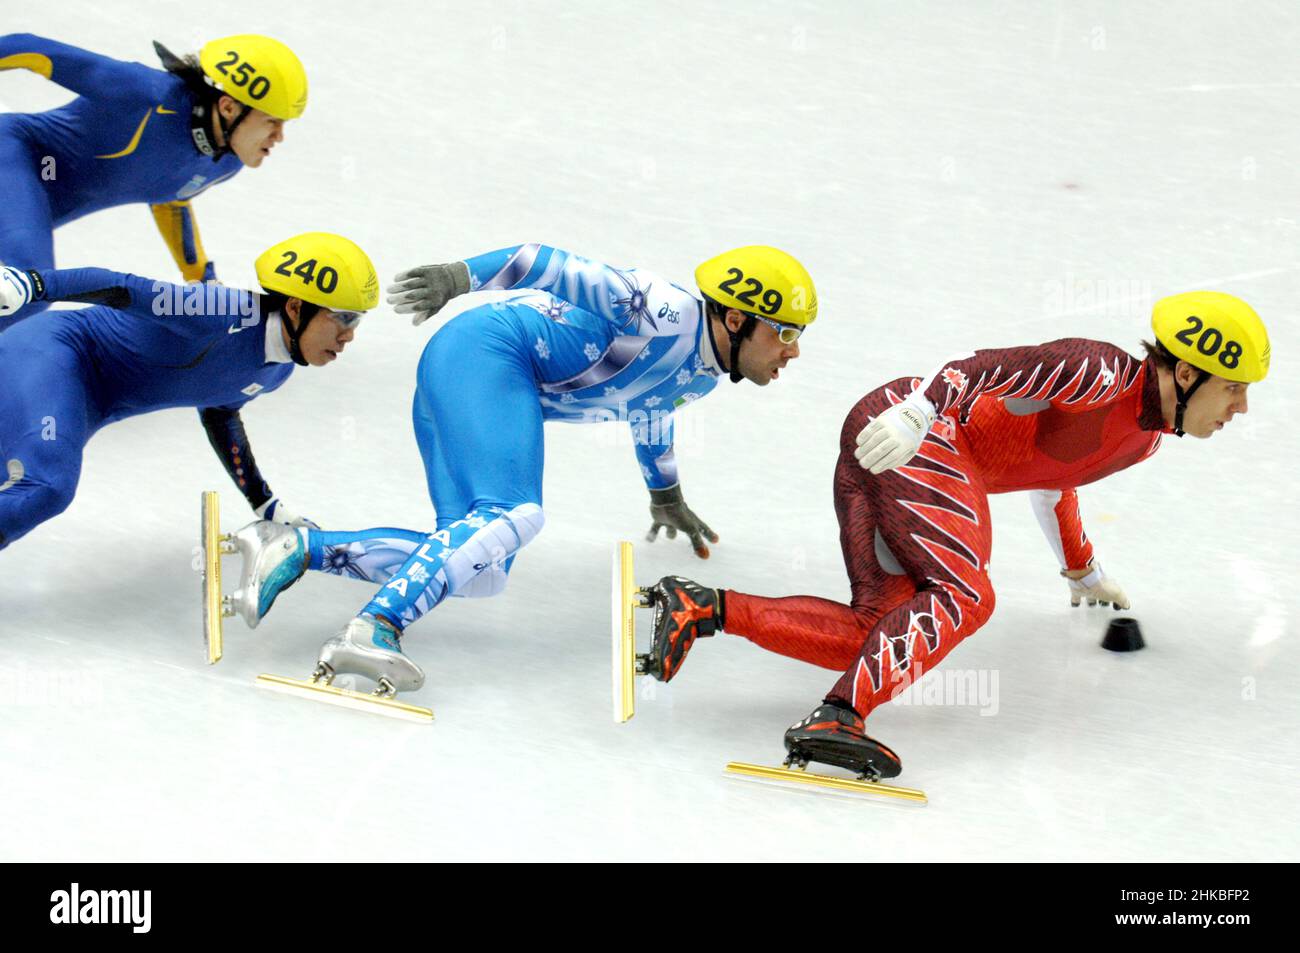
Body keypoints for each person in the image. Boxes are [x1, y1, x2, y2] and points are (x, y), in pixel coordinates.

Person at [634, 291, 1269, 779]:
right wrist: (919, 412)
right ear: (1187, 375)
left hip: (899, 438)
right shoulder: (1098, 373)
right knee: (967, 595)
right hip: (917, 431)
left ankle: (700, 606)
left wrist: (1082, 568)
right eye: (1234, 389)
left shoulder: (1148, 439)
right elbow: (979, 369)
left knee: (873, 632)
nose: (1239, 409)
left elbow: (1056, 481)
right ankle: (838, 718)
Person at [221, 242, 817, 697]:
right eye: (786, 332)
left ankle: (298, 548)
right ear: (737, 319)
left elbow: (651, 414)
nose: (792, 351)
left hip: (474, 378)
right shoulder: (661, 309)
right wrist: (460, 278)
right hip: (487, 355)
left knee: (480, 568)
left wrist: (666, 495)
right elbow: (543, 262)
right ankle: (372, 629)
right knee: (516, 513)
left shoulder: (704, 374)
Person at [0, 232, 378, 549]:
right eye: (342, 317)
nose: (349, 336)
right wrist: (32, 285)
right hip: (55, 353)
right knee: (47, 488)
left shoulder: (277, 372)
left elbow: (220, 413)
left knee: (23, 494)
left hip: (86, 404)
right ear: (296, 307)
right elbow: (121, 287)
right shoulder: (221, 311)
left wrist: (263, 502)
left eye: (357, 321)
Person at [0, 32, 307, 324]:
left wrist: (202, 280)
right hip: (13, 151)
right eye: (272, 121)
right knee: (27, 292)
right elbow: (32, 49)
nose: (279, 136)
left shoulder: (225, 162)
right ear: (228, 107)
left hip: (28, 206)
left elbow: (171, 199)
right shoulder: (148, 94)